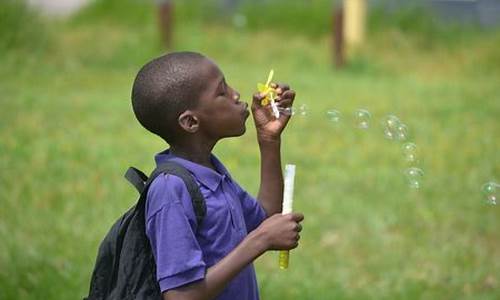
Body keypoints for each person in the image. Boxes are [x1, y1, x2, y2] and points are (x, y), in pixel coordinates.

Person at [131, 51, 304, 300]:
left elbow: (264, 216)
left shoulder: (210, 171)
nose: (236, 95)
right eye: (222, 92)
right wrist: (260, 240)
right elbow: (182, 297)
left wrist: (269, 139)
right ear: (190, 122)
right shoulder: (171, 190)